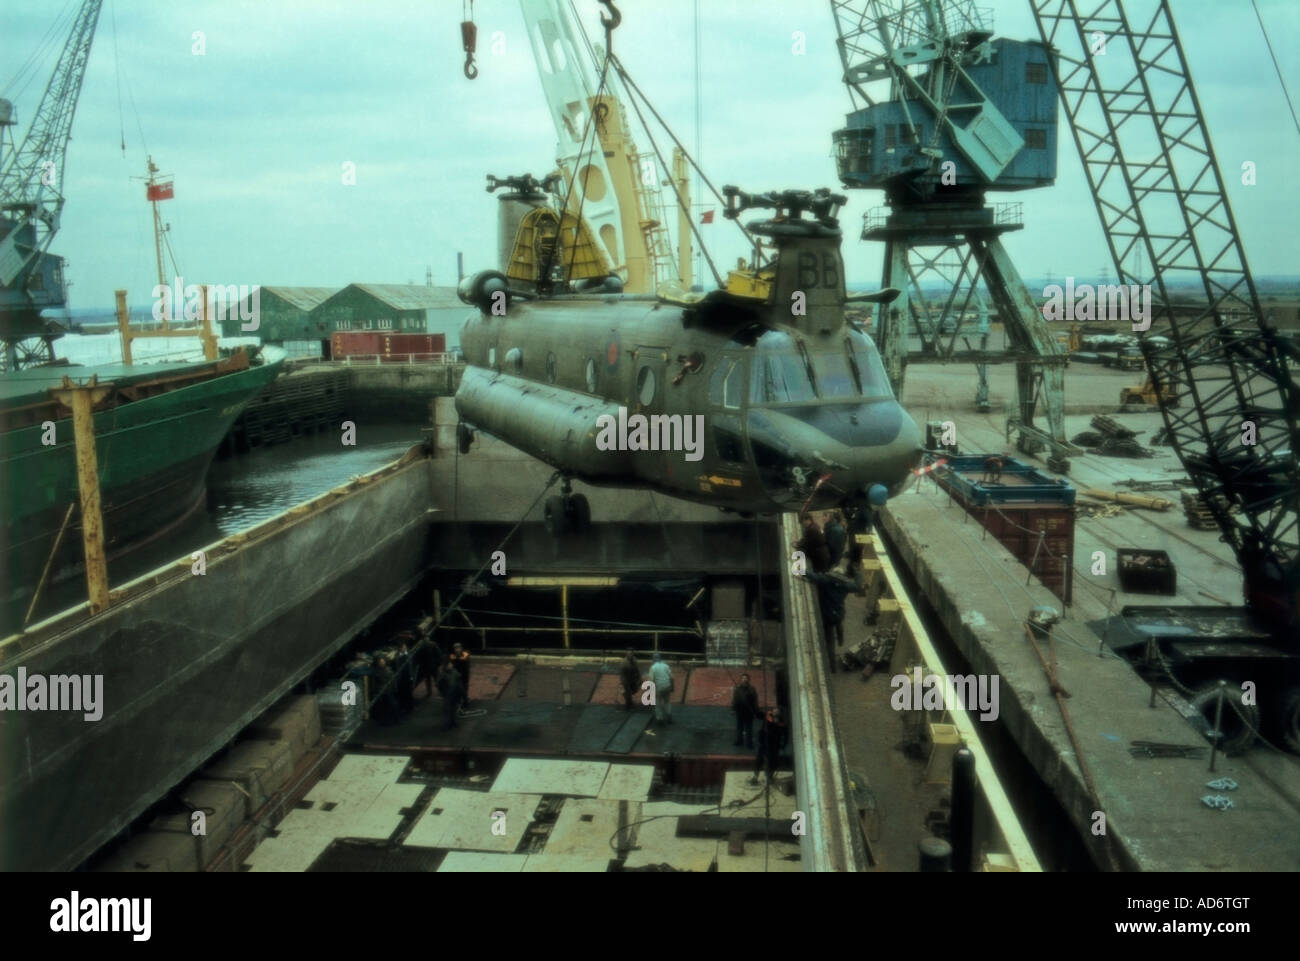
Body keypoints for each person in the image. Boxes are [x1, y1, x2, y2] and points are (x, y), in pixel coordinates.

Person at [805, 571, 855, 672]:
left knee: (830, 642)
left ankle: (831, 666)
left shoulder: (826, 582)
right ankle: (840, 640)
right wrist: (857, 573)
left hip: (828, 616)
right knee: (838, 625)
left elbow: (812, 576)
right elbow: (856, 586)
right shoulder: (845, 586)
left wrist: (798, 569)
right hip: (838, 614)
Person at [749, 707, 787, 785]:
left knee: (773, 762)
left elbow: (785, 734)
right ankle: (755, 776)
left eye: (777, 713)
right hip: (765, 743)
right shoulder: (767, 717)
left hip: (774, 745)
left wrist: (783, 745)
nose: (775, 714)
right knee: (760, 760)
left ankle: (770, 777)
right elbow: (759, 716)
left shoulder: (781, 723)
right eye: (774, 712)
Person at [732, 674, 759, 748]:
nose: (744, 679)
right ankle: (739, 741)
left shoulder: (752, 689)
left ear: (748, 679)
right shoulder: (737, 688)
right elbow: (735, 699)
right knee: (739, 727)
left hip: (749, 711)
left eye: (746, 678)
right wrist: (733, 709)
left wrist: (756, 710)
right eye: (743, 678)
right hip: (740, 710)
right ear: (741, 679)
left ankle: (749, 743)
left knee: (749, 728)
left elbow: (755, 700)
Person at [436, 662, 465, 730]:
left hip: (453, 694)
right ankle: (448, 724)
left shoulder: (454, 673)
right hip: (448, 694)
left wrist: (461, 694)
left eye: (450, 664)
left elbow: (459, 684)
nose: (451, 666)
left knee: (453, 709)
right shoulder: (444, 674)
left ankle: (453, 723)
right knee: (448, 710)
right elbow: (439, 684)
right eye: (449, 665)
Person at [416, 634, 444, 699]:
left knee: (434, 679)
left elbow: (438, 654)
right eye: (425, 638)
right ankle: (432, 692)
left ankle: (436, 692)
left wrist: (438, 663)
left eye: (426, 638)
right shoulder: (425, 646)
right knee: (432, 679)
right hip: (429, 666)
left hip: (431, 666)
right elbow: (439, 654)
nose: (426, 639)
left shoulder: (430, 645)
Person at [371, 656, 397, 726]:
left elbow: (393, 680)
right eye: (380, 662)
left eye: (382, 662)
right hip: (382, 691)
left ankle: (395, 719)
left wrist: (394, 688)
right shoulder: (377, 672)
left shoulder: (388, 670)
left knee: (392, 705)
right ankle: (386, 721)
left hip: (388, 690)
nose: (382, 663)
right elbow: (375, 683)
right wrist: (376, 690)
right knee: (385, 707)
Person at [649, 653, 673, 726]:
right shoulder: (666, 665)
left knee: (658, 703)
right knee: (667, 702)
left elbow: (651, 681)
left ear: (653, 659)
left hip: (659, 687)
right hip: (667, 686)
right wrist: (672, 687)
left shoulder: (653, 667)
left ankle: (660, 719)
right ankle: (669, 717)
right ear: (660, 659)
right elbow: (672, 678)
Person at [395, 641, 415, 718]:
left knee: (409, 692)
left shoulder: (409, 654)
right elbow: (397, 666)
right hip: (401, 677)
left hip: (408, 676)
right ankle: (403, 707)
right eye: (402, 647)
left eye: (405, 647)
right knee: (402, 692)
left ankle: (410, 707)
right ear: (400, 648)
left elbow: (411, 666)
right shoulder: (398, 655)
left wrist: (411, 676)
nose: (404, 649)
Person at [450, 642, 471, 707]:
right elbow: (452, 665)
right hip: (456, 675)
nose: (457, 650)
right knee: (457, 689)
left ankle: (465, 702)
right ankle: (458, 701)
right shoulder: (452, 656)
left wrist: (458, 659)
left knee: (464, 689)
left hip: (464, 675)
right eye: (455, 648)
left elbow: (466, 666)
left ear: (461, 648)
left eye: (458, 648)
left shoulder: (465, 655)